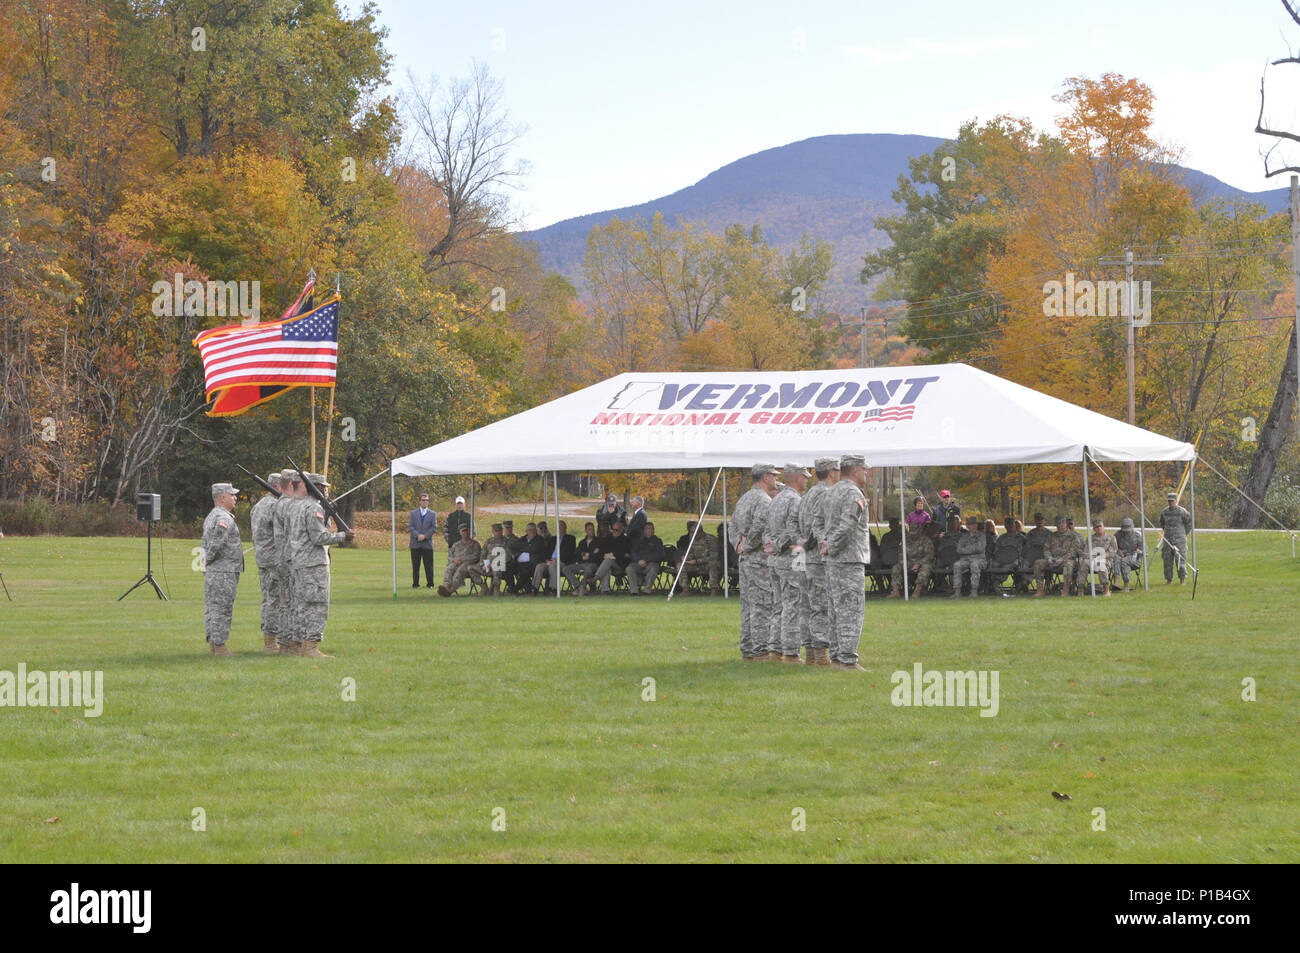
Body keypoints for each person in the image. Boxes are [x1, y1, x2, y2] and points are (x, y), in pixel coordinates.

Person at [285, 473, 353, 657]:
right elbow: (319, 537)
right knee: (317, 605)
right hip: (313, 564)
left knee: (304, 604)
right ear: (315, 488)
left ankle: (302, 644)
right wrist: (342, 536)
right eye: (323, 487)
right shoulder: (313, 508)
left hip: (300, 562)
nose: (326, 491)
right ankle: (311, 647)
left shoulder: (296, 505)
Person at [823, 455, 869, 671]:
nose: (866, 473)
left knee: (835, 610)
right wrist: (831, 544)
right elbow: (847, 526)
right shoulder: (852, 493)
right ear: (856, 470)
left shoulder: (832, 492)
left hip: (833, 560)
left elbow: (820, 521)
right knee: (851, 610)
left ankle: (836, 658)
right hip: (848, 559)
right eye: (864, 470)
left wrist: (826, 545)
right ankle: (848, 660)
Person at [730, 464, 778, 661]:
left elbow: (732, 525)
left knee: (748, 605)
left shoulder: (745, 498)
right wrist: (748, 545)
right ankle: (761, 650)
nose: (776, 479)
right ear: (765, 477)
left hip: (746, 559)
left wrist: (738, 546)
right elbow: (759, 526)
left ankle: (748, 649)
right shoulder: (764, 500)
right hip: (758, 560)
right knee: (762, 605)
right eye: (774, 476)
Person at [767, 464, 809, 663]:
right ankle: (791, 652)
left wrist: (771, 545)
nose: (807, 480)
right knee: (793, 605)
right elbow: (792, 530)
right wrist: (779, 545)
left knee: (778, 606)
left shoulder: (775, 500)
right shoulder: (794, 500)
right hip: (789, 560)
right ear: (797, 478)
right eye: (804, 477)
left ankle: (775, 649)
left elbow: (768, 529)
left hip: (774, 561)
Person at [802, 457, 840, 664]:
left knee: (809, 605)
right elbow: (816, 525)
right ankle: (820, 654)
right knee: (821, 606)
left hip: (809, 557)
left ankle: (810, 652)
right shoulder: (826, 493)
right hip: (819, 556)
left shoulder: (809, 493)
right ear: (832, 472)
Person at [201, 482, 244, 656]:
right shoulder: (223, 518)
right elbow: (215, 544)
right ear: (223, 497)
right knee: (222, 608)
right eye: (232, 495)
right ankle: (220, 646)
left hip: (217, 571)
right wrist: (208, 560)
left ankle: (214, 644)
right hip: (223, 571)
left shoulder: (213, 515)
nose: (235, 498)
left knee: (213, 607)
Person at [250, 471, 282, 653]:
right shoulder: (274, 506)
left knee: (268, 599)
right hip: (274, 559)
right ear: (277, 486)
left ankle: (269, 640)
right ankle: (271, 642)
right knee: (275, 601)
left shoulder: (259, 505)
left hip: (262, 558)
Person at [272, 472, 302, 651]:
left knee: (285, 603)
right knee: (293, 602)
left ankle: (284, 642)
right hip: (290, 558)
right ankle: (293, 642)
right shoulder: (289, 505)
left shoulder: (279, 503)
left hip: (282, 557)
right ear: (291, 484)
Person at [1034, 517, 1084, 597]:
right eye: (1058, 526)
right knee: (1038, 563)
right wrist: (1049, 558)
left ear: (1066, 525)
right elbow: (1046, 549)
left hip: (1067, 560)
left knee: (1068, 565)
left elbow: (1073, 552)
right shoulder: (1051, 536)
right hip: (1052, 560)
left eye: (1062, 525)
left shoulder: (1073, 537)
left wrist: (1062, 559)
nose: (1060, 527)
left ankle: (1066, 590)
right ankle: (1040, 590)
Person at [888, 522, 935, 598]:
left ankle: (917, 591)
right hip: (909, 562)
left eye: (915, 533)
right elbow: (901, 555)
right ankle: (895, 591)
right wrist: (904, 563)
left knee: (925, 569)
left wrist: (919, 564)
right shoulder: (905, 540)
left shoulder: (926, 540)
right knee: (896, 567)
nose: (913, 535)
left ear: (920, 531)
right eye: (912, 533)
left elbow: (929, 555)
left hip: (923, 563)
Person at [1158, 492, 1193, 584]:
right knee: (1167, 560)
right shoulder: (1164, 512)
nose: (1170, 503)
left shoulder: (1182, 511)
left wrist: (1183, 533)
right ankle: (1168, 579)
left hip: (1180, 540)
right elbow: (1162, 523)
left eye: (1172, 501)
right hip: (1167, 539)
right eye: (1169, 501)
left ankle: (1182, 579)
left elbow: (1189, 523)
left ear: (1176, 501)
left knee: (1180, 559)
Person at [534, 519, 575, 594]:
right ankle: (535, 588)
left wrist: (556, 560)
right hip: (550, 561)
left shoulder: (570, 539)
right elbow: (546, 552)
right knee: (539, 566)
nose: (559, 528)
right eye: (558, 527)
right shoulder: (552, 539)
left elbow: (569, 553)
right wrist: (547, 560)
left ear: (565, 528)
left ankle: (553, 589)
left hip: (562, 562)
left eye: (561, 526)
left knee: (553, 566)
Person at [439, 525, 482, 596]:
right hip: (456, 563)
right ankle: (446, 586)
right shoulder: (456, 544)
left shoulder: (474, 544)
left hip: (469, 566)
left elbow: (477, 556)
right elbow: (450, 556)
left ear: (469, 531)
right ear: (460, 532)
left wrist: (463, 560)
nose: (465, 532)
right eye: (463, 531)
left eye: (466, 530)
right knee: (449, 568)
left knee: (460, 570)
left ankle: (450, 590)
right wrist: (454, 560)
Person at [952, 515, 987, 598]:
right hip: (965, 560)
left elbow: (980, 548)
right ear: (967, 526)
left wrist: (966, 550)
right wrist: (972, 549)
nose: (974, 526)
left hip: (979, 559)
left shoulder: (981, 536)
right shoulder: (964, 537)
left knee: (974, 565)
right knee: (957, 565)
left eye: (975, 524)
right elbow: (959, 549)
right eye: (971, 524)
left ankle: (974, 591)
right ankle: (957, 591)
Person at [627, 521, 665, 595]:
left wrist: (646, 560)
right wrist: (638, 560)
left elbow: (660, 554)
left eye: (652, 529)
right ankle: (634, 591)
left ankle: (647, 591)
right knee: (629, 568)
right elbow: (633, 553)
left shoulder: (657, 541)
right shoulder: (639, 541)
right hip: (639, 563)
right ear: (644, 530)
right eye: (648, 528)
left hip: (651, 564)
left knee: (654, 568)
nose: (650, 530)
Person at [594, 520, 632, 593]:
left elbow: (626, 554)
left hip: (621, 565)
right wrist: (605, 555)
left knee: (608, 560)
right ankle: (605, 590)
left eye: (616, 530)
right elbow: (601, 549)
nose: (614, 531)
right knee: (607, 567)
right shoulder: (609, 538)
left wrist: (613, 555)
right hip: (609, 565)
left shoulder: (626, 540)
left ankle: (595, 579)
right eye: (613, 529)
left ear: (621, 530)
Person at [564, 522, 602, 595]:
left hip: (593, 565)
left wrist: (589, 555)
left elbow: (598, 556)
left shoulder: (598, 541)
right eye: (589, 529)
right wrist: (583, 555)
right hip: (582, 564)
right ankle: (579, 586)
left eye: (592, 529)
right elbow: (577, 554)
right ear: (586, 531)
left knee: (588, 569)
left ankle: (581, 588)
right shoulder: (582, 542)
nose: (592, 531)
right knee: (566, 569)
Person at [408, 493, 437, 589]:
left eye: (427, 500)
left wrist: (425, 536)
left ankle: (430, 584)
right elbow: (410, 527)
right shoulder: (413, 513)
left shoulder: (433, 514)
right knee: (415, 566)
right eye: (423, 500)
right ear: (420, 501)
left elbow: (434, 527)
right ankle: (415, 584)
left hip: (427, 544)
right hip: (415, 544)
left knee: (429, 565)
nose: (425, 502)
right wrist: (417, 535)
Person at [514, 522, 548, 595]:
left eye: (533, 530)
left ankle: (516, 588)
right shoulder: (523, 538)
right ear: (526, 531)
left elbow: (535, 549)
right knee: (511, 567)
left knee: (524, 571)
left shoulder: (539, 539)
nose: (532, 532)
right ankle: (527, 588)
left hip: (533, 563)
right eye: (529, 530)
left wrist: (522, 548)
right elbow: (514, 546)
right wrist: (528, 545)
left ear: (536, 531)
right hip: (519, 564)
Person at [477, 524, 510, 596]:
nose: (498, 532)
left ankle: (496, 589)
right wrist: (483, 565)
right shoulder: (488, 541)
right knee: (470, 568)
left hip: (500, 567)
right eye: (496, 531)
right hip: (487, 567)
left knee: (496, 567)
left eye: (499, 531)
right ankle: (484, 587)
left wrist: (494, 563)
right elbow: (483, 554)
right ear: (493, 531)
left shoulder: (506, 542)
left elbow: (508, 556)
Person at [1087, 518, 1117, 596]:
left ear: (1104, 526)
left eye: (1100, 526)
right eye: (1096, 527)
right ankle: (1080, 588)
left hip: (1106, 560)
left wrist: (1100, 557)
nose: (1099, 528)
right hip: (1091, 560)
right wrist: (1091, 556)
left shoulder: (1111, 538)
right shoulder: (1090, 539)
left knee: (1100, 564)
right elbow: (1085, 551)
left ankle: (1106, 589)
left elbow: (1113, 552)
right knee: (1082, 563)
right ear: (1094, 529)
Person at [1115, 517, 1144, 591]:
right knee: (1116, 558)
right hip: (1121, 556)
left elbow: (1145, 551)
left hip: (1135, 558)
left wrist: (1140, 551)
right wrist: (1117, 550)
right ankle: (1116, 581)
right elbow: (1112, 546)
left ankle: (1126, 584)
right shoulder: (1118, 534)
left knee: (1124, 561)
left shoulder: (1138, 536)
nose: (1126, 532)